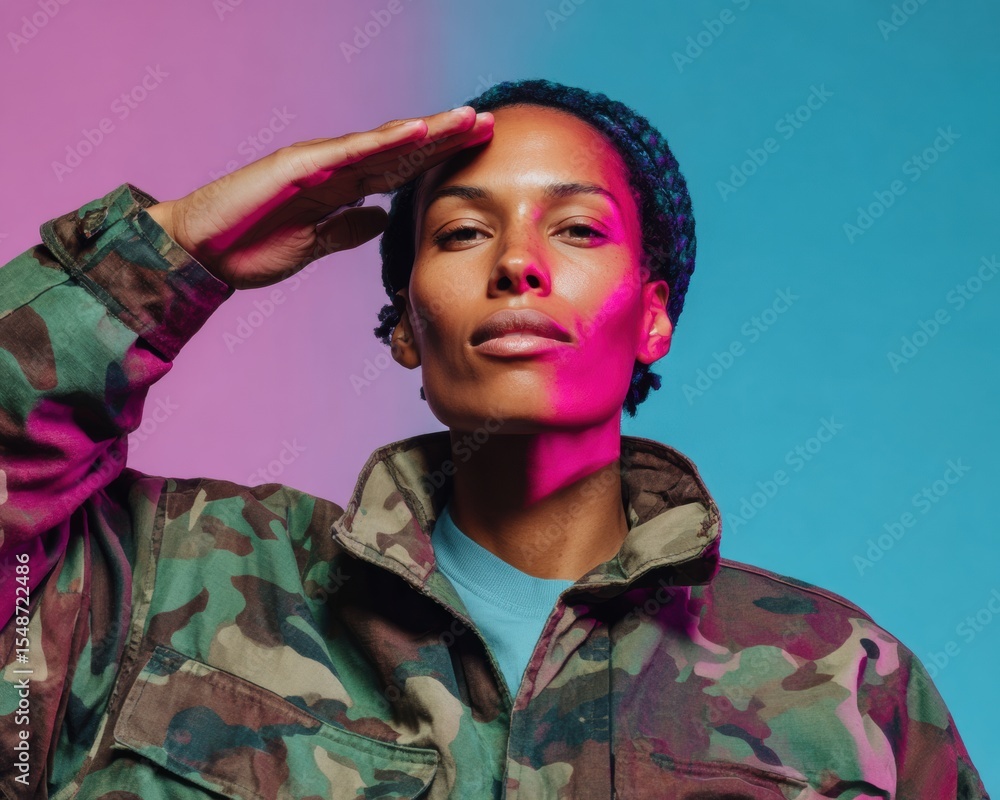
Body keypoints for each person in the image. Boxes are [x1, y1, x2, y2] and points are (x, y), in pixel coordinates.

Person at [0, 78, 988, 799]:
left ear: (652, 317)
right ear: (401, 326)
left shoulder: (846, 680)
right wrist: (171, 252)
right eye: (464, 232)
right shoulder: (160, 580)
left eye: (577, 230)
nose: (518, 261)